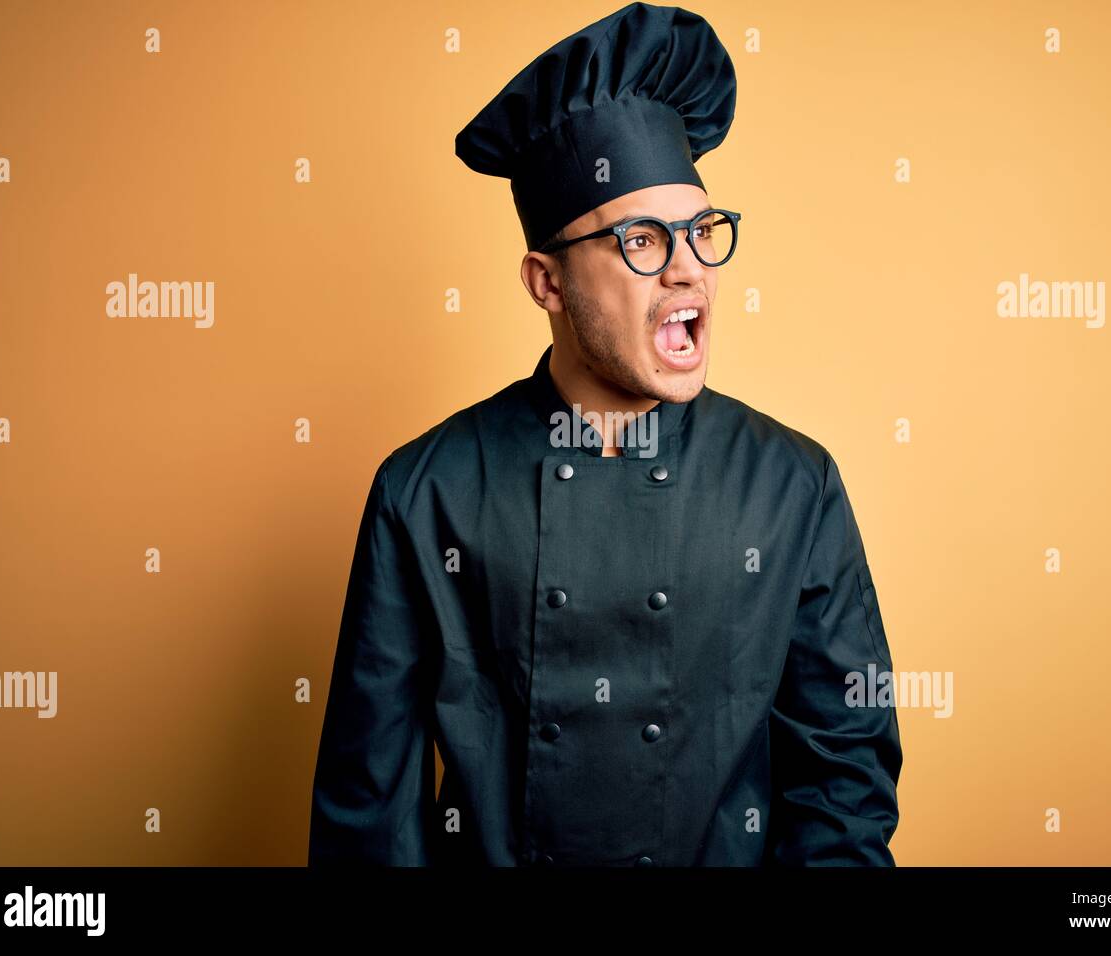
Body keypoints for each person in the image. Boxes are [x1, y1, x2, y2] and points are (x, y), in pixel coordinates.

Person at [308, 1, 902, 867]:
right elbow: (370, 812)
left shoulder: (792, 486)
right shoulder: (425, 491)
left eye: (701, 231)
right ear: (545, 282)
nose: (690, 265)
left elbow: (844, 781)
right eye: (641, 240)